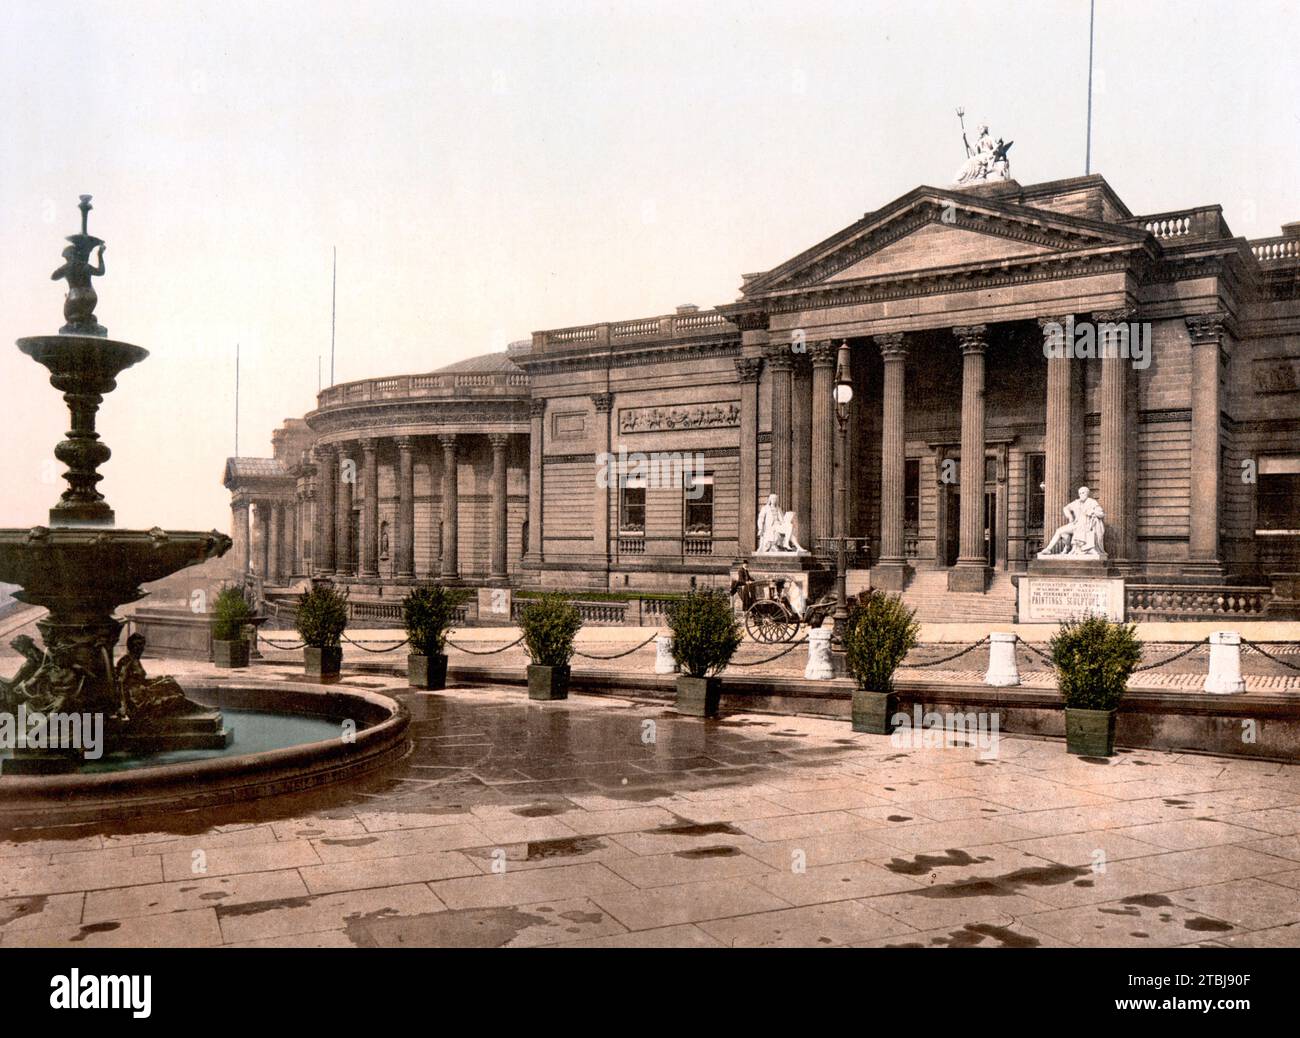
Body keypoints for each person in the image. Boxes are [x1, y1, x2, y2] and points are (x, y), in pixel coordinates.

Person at [114, 633, 191, 718]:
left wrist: (157, 680)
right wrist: (122, 706)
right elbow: (120, 683)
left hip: (143, 694)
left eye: (142, 645)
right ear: (133, 647)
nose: (142, 649)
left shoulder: (135, 660)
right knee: (177, 699)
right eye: (139, 646)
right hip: (138, 702)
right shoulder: (126, 661)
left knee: (170, 683)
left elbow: (139, 680)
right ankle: (200, 711)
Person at [1040, 486, 1107, 557]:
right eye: (1080, 493)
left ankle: (1071, 548)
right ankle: (1049, 549)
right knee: (1059, 531)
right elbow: (1065, 508)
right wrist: (1070, 517)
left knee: (1078, 528)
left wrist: (1092, 512)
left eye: (1083, 493)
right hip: (1076, 524)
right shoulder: (1076, 502)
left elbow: (1101, 514)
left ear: (1087, 493)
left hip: (1087, 526)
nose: (1081, 494)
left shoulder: (1092, 502)